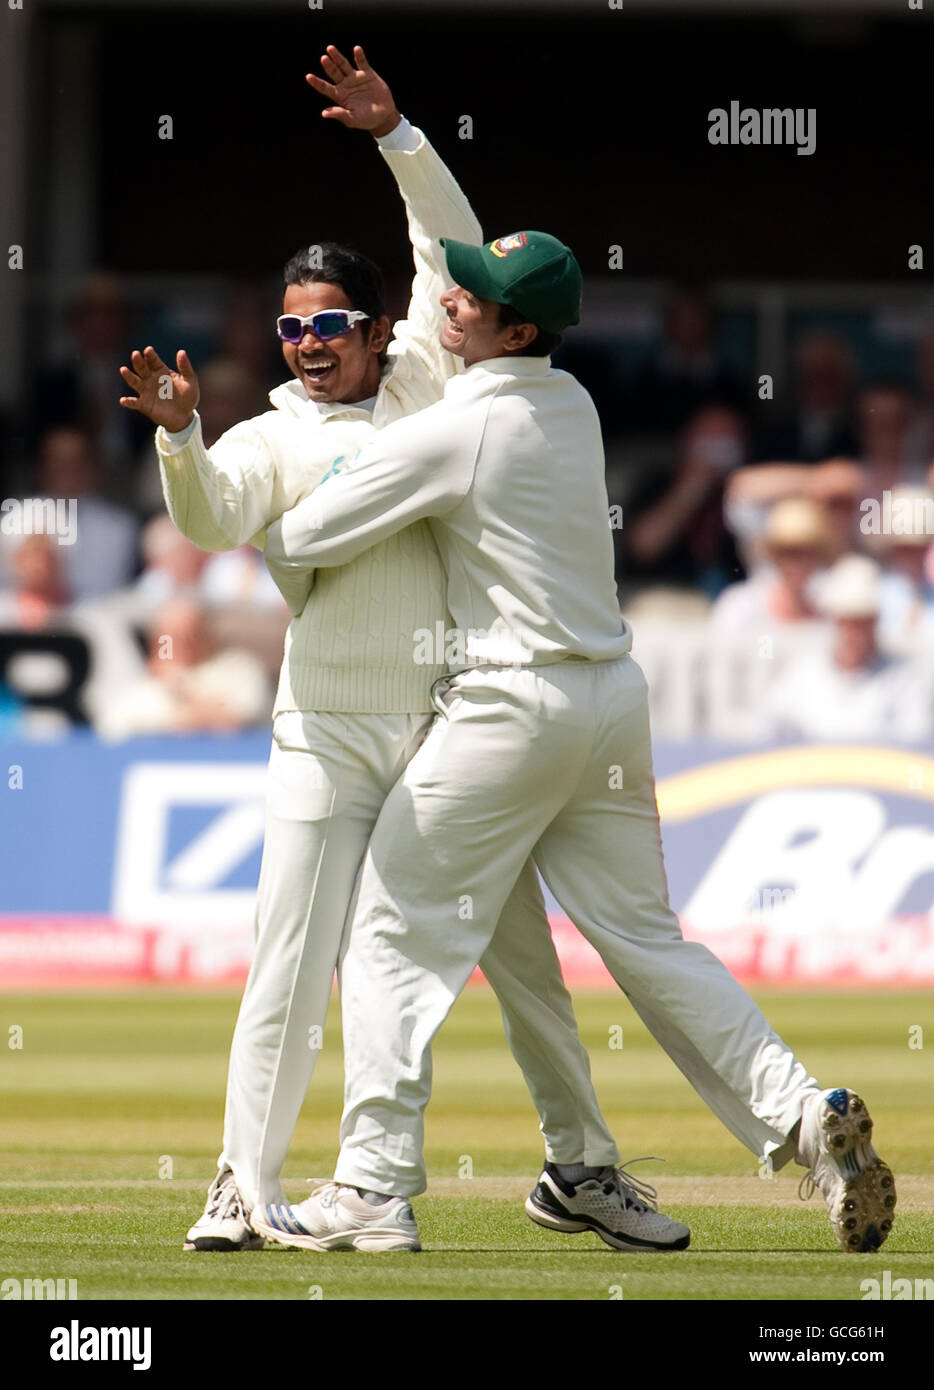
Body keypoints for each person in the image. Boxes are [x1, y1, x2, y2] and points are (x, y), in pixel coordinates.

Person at [252, 227, 896, 1257]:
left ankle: (370, 1186)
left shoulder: (460, 423)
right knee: (645, 943)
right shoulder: (573, 400)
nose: (449, 305)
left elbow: (303, 536)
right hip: (607, 702)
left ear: (515, 327)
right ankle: (795, 1114)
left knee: (390, 929)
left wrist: (265, 477)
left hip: (509, 708)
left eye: (472, 301)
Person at [120, 47, 636, 1254]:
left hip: (450, 729)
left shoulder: (421, 385)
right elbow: (209, 520)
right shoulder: (260, 432)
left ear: (382, 328)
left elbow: (451, 251)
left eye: (332, 322)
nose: (310, 342)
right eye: (292, 326)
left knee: (523, 970)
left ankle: (587, 1165)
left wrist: (399, 137)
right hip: (324, 730)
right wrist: (184, 439)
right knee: (291, 970)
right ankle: (242, 1186)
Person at [760, 553, 932, 742]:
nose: (855, 632)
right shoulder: (803, 673)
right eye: (847, 621)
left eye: (863, 621)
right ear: (834, 621)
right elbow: (769, 730)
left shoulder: (904, 680)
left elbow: (912, 745)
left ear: (875, 622)